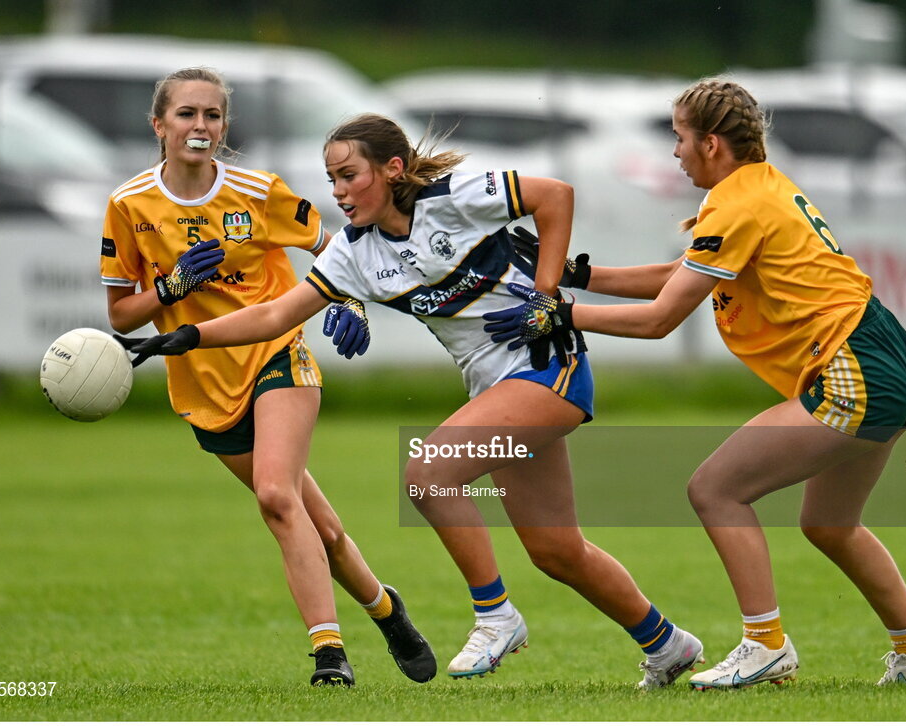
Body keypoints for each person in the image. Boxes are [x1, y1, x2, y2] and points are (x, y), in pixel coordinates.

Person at [116, 112, 705, 689]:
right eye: (332, 181)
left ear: (393, 169)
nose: (339, 193)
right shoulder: (354, 253)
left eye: (350, 176)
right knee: (556, 550)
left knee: (429, 474)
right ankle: (667, 643)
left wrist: (547, 296)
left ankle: (495, 615)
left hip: (546, 365)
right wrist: (189, 334)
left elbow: (555, 196)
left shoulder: (452, 198)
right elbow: (275, 314)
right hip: (495, 387)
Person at [486, 77, 906, 688]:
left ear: (711, 142)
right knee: (830, 525)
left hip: (854, 367)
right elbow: (680, 274)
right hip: (885, 354)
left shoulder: (736, 203)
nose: (674, 153)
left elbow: (661, 320)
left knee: (716, 490)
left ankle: (765, 645)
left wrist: (562, 312)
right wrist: (583, 276)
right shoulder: (759, 187)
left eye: (679, 138)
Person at [101, 68, 436, 687]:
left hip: (277, 358)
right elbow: (121, 312)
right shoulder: (129, 206)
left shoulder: (258, 191)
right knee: (322, 528)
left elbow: (340, 249)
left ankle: (329, 655)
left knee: (276, 497)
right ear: (159, 125)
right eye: (186, 115)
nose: (200, 126)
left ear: (224, 127)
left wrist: (350, 301)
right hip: (202, 386)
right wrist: (170, 289)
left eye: (212, 116)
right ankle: (387, 610)